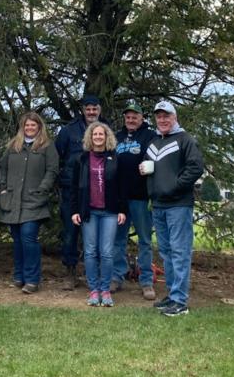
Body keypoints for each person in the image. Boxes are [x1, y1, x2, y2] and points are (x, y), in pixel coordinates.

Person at [140, 100, 204, 316]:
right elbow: (151, 167)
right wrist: (145, 174)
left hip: (178, 205)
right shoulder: (154, 142)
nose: (163, 120)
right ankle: (172, 295)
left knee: (179, 251)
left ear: (174, 117)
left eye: (166, 116)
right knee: (166, 252)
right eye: (159, 116)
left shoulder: (185, 139)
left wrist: (175, 186)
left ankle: (180, 302)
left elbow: (196, 167)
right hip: (158, 205)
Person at [0, 112, 59, 294]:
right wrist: (2, 189)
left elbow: (52, 170)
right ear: (22, 127)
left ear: (39, 127)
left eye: (33, 125)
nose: (30, 128)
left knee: (28, 238)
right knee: (17, 240)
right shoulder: (13, 146)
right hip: (12, 201)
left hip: (34, 201)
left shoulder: (47, 146)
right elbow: (2, 169)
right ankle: (19, 277)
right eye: (27, 125)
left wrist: (43, 189)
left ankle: (32, 279)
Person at [55, 94, 109, 289]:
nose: (91, 112)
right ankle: (70, 272)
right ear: (83, 110)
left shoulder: (106, 129)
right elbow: (57, 158)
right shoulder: (68, 131)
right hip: (72, 191)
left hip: (99, 192)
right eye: (88, 108)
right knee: (70, 232)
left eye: (95, 108)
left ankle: (92, 272)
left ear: (99, 109)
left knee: (97, 235)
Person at [71, 121, 127, 307]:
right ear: (90, 137)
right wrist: (74, 211)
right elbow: (73, 188)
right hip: (89, 212)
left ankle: (105, 290)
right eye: (94, 134)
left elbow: (121, 188)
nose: (98, 137)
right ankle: (94, 290)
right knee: (90, 252)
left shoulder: (115, 158)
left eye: (101, 134)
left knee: (107, 252)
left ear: (107, 137)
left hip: (110, 212)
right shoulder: (82, 159)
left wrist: (122, 210)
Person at [111, 101, 157, 299]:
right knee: (117, 239)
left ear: (142, 118)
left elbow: (157, 160)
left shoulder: (150, 136)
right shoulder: (117, 137)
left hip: (141, 197)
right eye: (128, 117)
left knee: (145, 240)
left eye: (135, 116)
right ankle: (117, 276)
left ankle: (146, 281)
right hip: (120, 198)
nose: (130, 120)